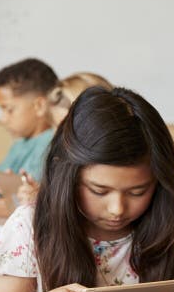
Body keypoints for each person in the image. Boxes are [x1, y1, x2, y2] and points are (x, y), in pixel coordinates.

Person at [0, 87, 174, 292]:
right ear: (67, 176)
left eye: (137, 192)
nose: (117, 209)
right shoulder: (31, 224)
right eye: (99, 191)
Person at [17, 72, 114, 205]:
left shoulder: (109, 164)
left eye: (64, 129)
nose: (55, 136)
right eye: (54, 127)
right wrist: (41, 194)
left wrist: (43, 202)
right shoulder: (61, 158)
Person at [0, 58, 57, 203]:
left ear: (39, 106)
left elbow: (17, 205)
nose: (3, 119)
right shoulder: (21, 144)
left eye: (9, 109)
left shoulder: (51, 145)